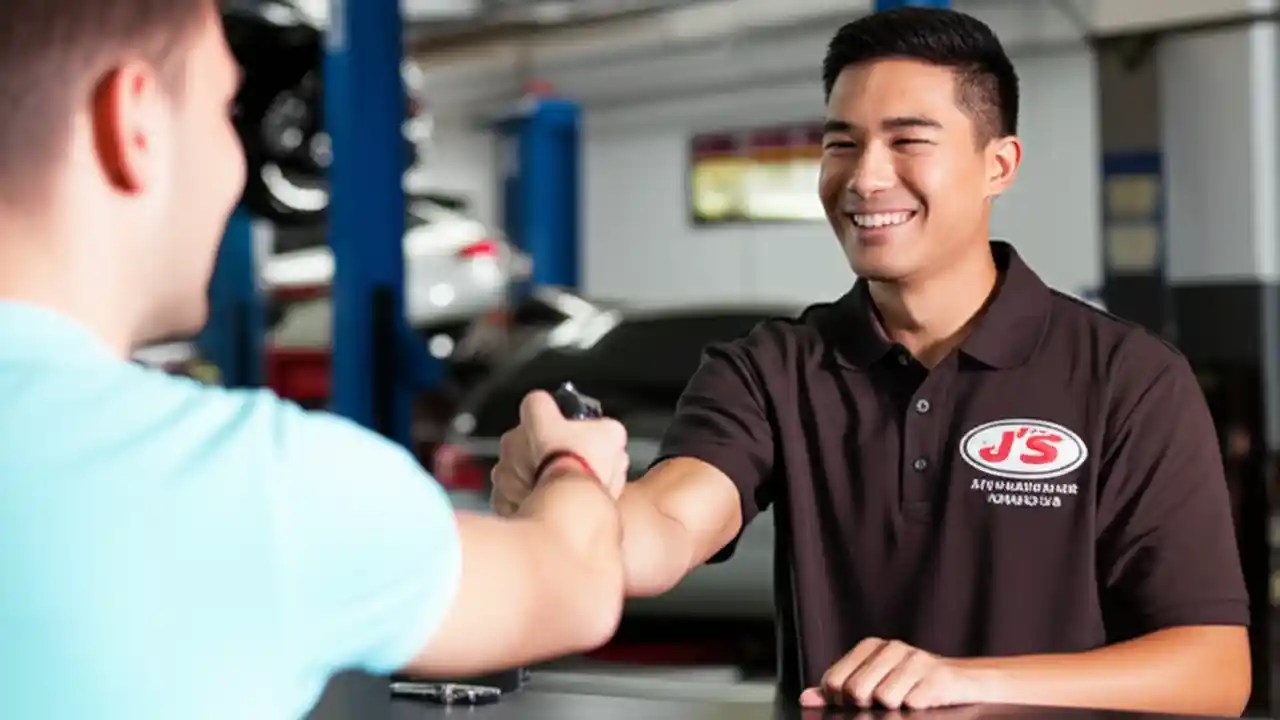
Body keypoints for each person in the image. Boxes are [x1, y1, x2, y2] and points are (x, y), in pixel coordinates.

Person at [492, 7, 1252, 716]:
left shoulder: (1128, 379)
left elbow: (1215, 670)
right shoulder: (772, 370)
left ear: (999, 164)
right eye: (841, 143)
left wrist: (967, 682)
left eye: (907, 141)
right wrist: (570, 497)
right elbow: (667, 526)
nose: (864, 177)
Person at [0, 2, 631, 718]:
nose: (235, 164)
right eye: (222, 110)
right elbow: (571, 587)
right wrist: (572, 464)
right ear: (134, 122)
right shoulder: (252, 488)